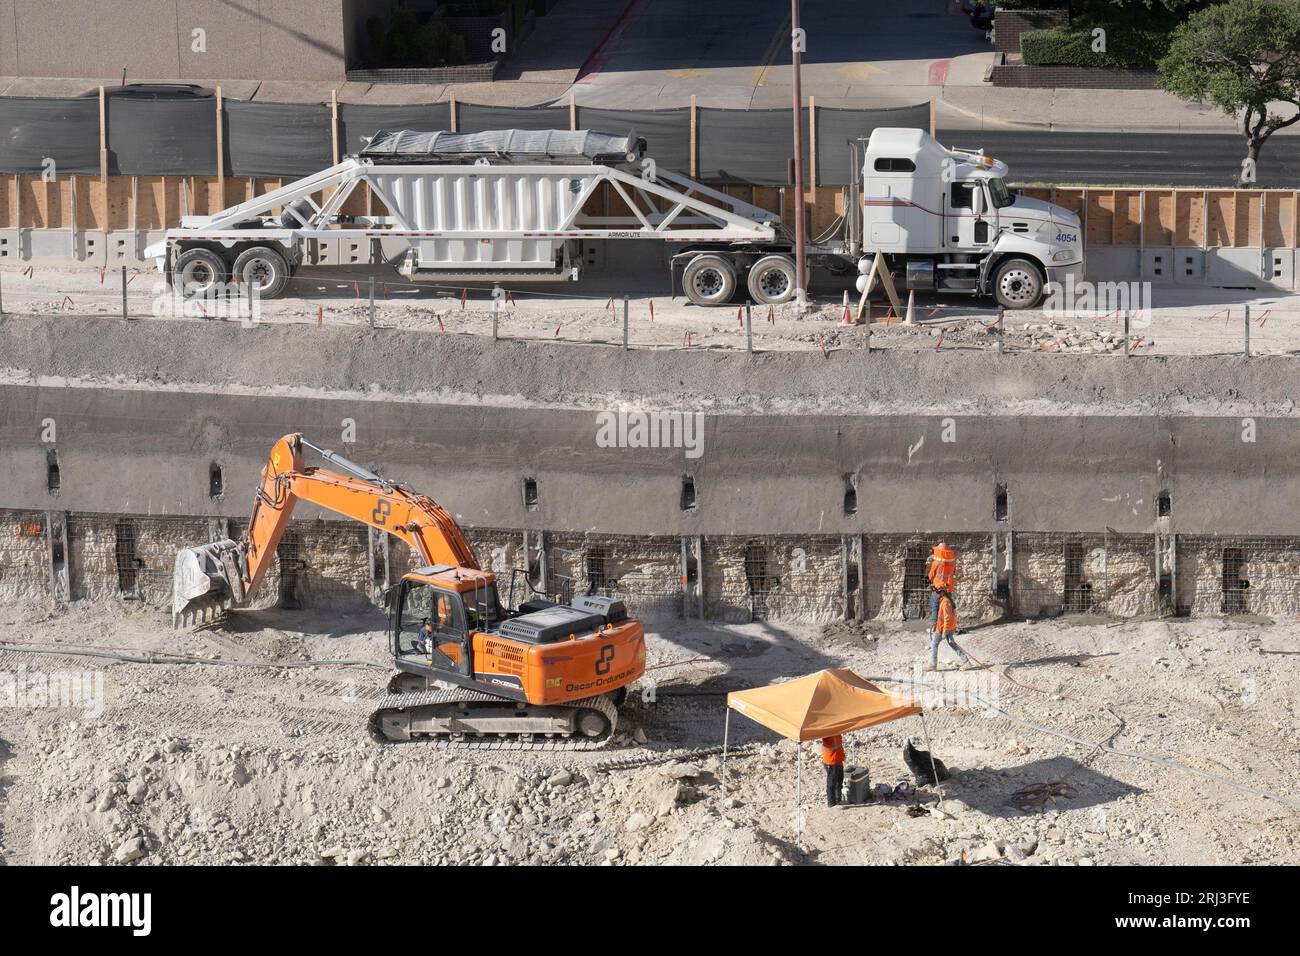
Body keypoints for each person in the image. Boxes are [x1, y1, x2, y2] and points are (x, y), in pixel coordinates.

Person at [926, 540, 974, 671]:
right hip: (948, 590)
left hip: (940, 590)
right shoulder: (952, 562)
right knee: (950, 638)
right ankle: (964, 661)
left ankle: (935, 627)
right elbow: (954, 574)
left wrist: (943, 629)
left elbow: (931, 576)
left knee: (937, 611)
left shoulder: (936, 562)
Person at [821, 734, 845, 807]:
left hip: (838, 759)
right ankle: (831, 804)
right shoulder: (826, 729)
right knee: (831, 784)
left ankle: (838, 800)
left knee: (839, 781)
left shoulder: (836, 728)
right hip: (831, 761)